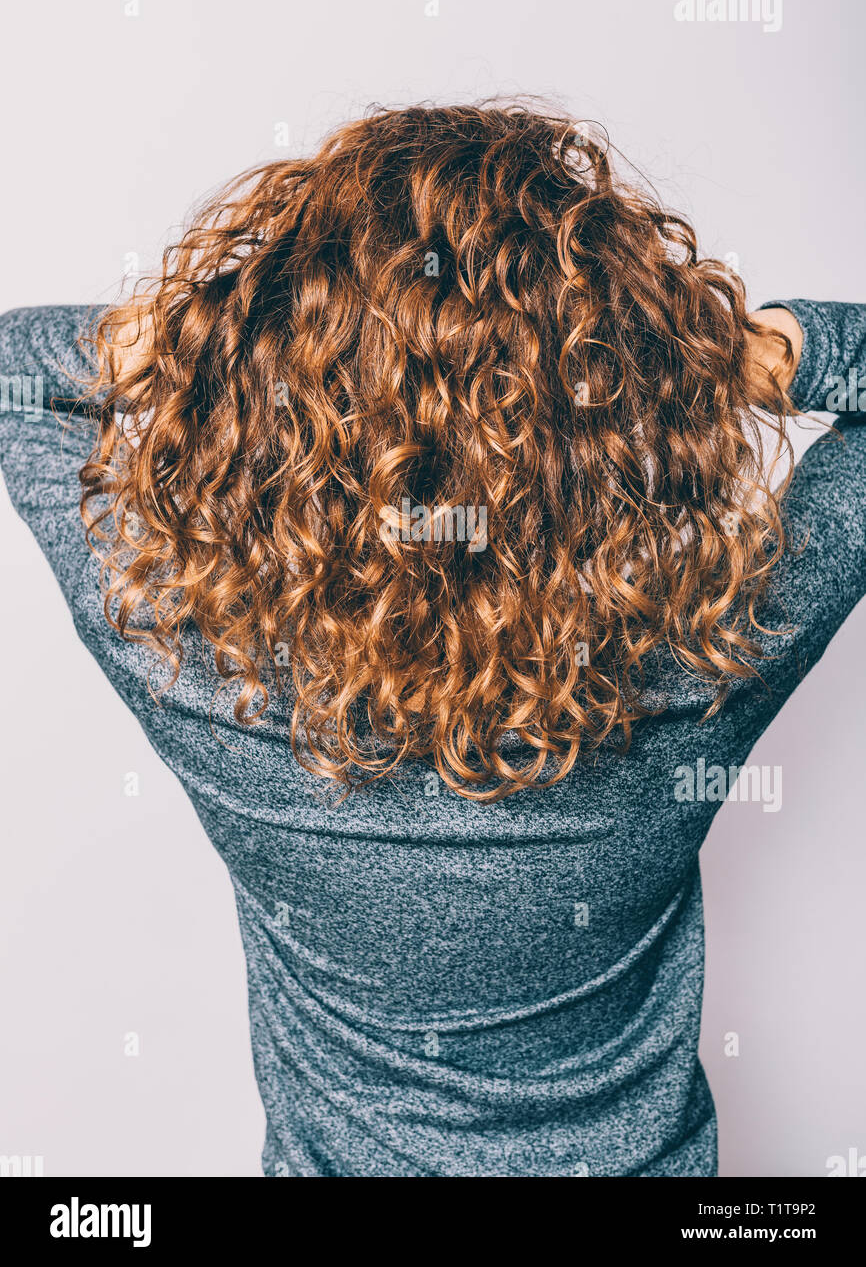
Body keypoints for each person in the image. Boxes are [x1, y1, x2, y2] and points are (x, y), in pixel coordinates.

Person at [1, 104, 863, 1177]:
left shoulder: (197, 675)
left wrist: (202, 341)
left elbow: (12, 373)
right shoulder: (701, 663)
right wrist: (715, 346)